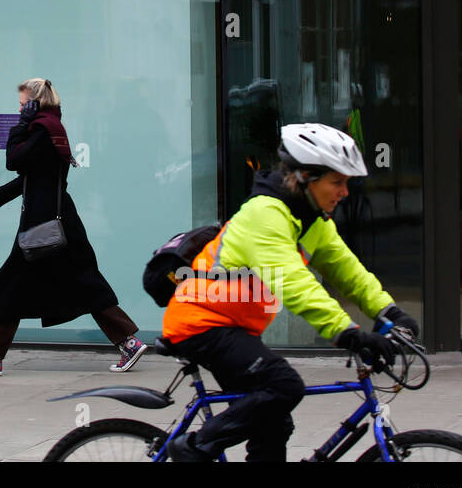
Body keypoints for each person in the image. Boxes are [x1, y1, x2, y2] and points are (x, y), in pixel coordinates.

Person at [161, 122, 420, 462]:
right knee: (284, 386)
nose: (345, 192)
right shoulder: (265, 214)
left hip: (233, 327)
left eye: (347, 183)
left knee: (274, 422)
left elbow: (349, 271)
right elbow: (292, 280)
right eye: (337, 182)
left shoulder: (313, 220)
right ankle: (193, 449)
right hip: (201, 323)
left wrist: (390, 312)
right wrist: (348, 333)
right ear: (305, 178)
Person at [0, 77, 147, 376]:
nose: (19, 110)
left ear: (35, 103)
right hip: (59, 220)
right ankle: (128, 342)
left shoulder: (42, 130)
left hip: (44, 222)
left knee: (13, 284)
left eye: (22, 105)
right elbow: (30, 178)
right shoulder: (49, 127)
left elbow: (13, 160)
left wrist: (21, 124)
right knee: (83, 281)